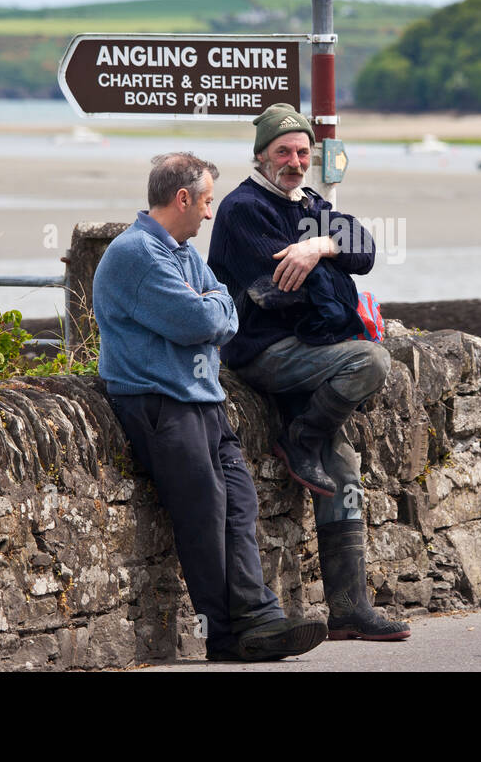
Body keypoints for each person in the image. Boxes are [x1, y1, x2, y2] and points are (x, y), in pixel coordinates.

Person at [94, 151, 326, 662]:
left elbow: (223, 303)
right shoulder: (136, 253)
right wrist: (211, 309)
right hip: (159, 403)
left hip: (204, 399)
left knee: (239, 505)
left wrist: (210, 306)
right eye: (205, 202)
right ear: (182, 198)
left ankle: (258, 619)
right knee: (202, 515)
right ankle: (223, 637)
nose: (208, 213)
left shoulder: (179, 250)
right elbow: (201, 322)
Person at [208, 105, 411, 642]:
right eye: (284, 152)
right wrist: (323, 260)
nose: (295, 161)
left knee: (342, 473)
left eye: (302, 152)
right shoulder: (242, 208)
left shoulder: (313, 205)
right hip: (265, 352)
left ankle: (348, 610)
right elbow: (274, 292)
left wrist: (319, 244)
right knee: (370, 359)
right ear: (261, 155)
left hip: (312, 353)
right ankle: (300, 436)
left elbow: (364, 251)